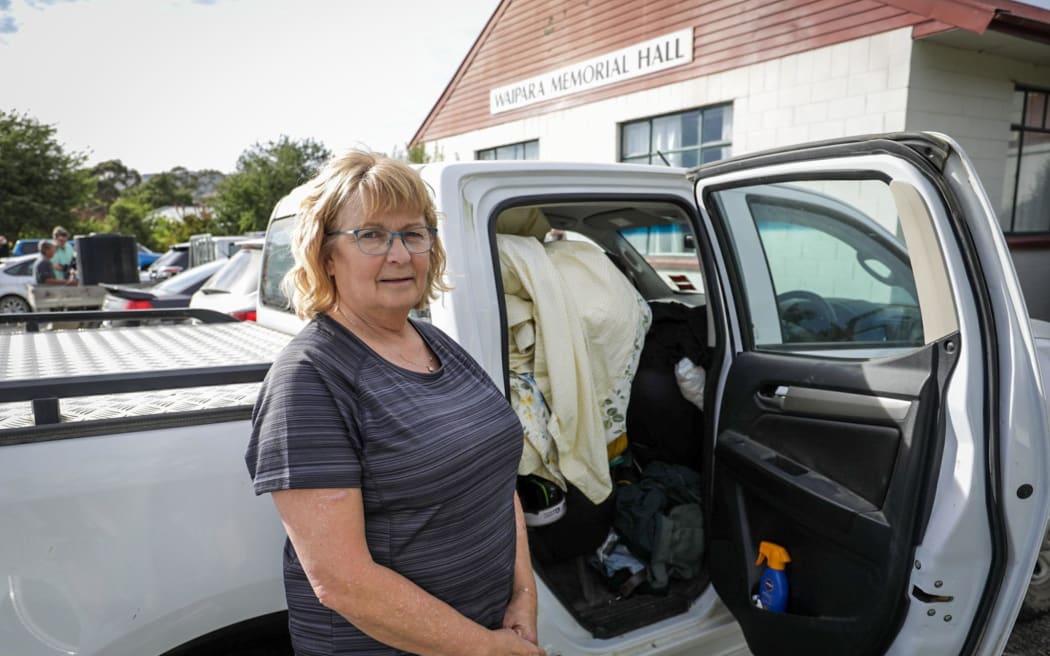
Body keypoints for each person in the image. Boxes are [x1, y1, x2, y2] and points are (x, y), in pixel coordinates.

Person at [245, 150, 544, 656]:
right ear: (325, 255)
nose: (401, 254)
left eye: (413, 232)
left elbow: (496, 481)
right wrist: (488, 650)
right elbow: (343, 582)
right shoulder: (310, 378)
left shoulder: (436, 342)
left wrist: (524, 595)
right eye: (372, 235)